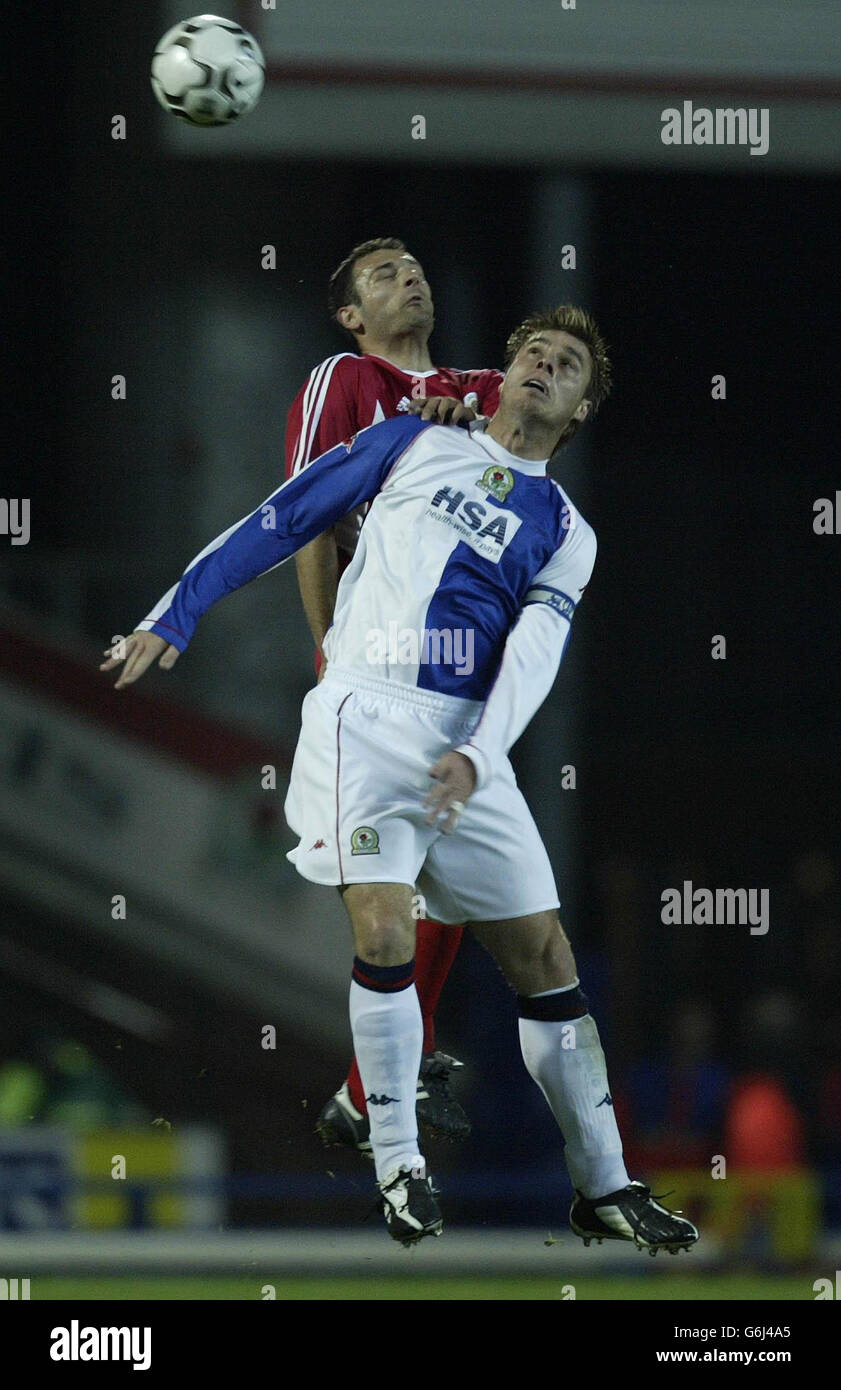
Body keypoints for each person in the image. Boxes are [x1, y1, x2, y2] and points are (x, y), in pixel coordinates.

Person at [102, 304, 699, 1255]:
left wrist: (481, 750)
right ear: (500, 379)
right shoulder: (408, 443)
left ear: (579, 409)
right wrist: (175, 614)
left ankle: (604, 1187)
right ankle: (396, 1162)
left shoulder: (567, 533)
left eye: (568, 365)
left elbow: (535, 657)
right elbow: (283, 516)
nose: (545, 365)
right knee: (383, 924)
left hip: (468, 748)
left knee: (546, 958)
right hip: (365, 715)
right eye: (533, 353)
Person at [286, 236, 502, 1155]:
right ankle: (374, 1086)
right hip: (375, 667)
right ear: (350, 315)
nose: (409, 276)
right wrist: (329, 653)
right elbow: (306, 518)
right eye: (383, 275)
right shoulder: (345, 377)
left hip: (459, 671)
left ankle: (363, 1086)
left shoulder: (481, 390)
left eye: (415, 266)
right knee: (390, 884)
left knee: (447, 880)